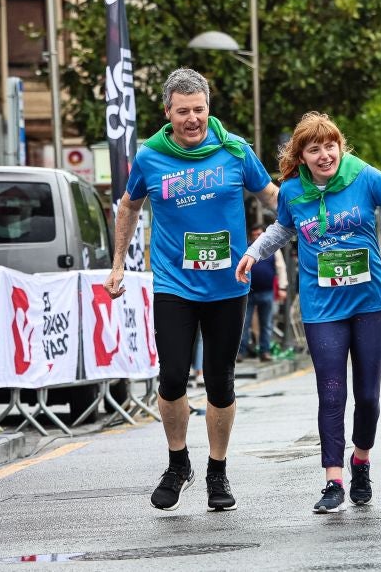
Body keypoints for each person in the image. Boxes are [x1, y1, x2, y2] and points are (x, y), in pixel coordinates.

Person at [238, 112, 381, 513]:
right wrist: (254, 250)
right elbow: (283, 228)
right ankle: (333, 480)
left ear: (340, 147)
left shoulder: (364, 176)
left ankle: (360, 460)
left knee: (367, 396)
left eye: (331, 146)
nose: (325, 154)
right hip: (322, 305)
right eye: (315, 149)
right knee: (331, 394)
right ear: (302, 156)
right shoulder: (293, 191)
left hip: (368, 301)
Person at [104, 69, 278, 514]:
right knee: (173, 375)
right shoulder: (150, 156)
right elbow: (129, 205)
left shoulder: (235, 150)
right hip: (175, 284)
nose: (192, 119)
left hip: (227, 284)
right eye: (183, 111)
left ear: (208, 108)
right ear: (168, 113)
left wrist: (318, 215)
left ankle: (217, 471)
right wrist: (119, 263)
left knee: (220, 382)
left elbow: (271, 198)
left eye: (198, 109)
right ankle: (178, 462)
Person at [239, 222, 284, 361]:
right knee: (244, 324)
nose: (257, 236)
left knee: (267, 324)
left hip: (267, 292)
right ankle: (241, 352)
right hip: (248, 292)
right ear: (251, 236)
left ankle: (265, 352)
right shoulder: (245, 247)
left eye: (260, 234)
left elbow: (281, 267)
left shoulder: (273, 248)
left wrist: (282, 287)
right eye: (255, 234)